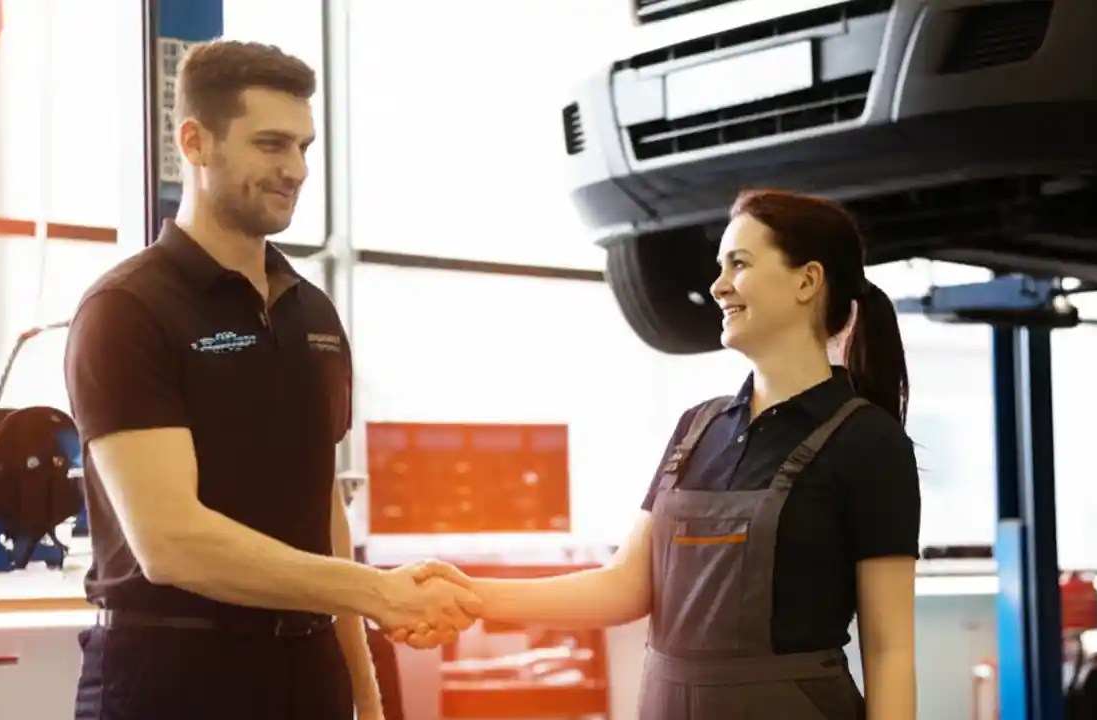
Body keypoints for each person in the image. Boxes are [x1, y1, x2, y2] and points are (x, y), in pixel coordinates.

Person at [63, 40, 478, 720]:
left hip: (308, 675)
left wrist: (365, 697)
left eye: (304, 147)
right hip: (171, 679)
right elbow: (171, 543)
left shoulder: (311, 312)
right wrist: (375, 592)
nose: (295, 169)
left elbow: (322, 510)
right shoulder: (128, 310)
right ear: (195, 143)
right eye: (271, 145)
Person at [394, 189, 921, 719]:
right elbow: (625, 586)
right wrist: (469, 594)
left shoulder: (869, 443)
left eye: (739, 264)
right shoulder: (698, 427)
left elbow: (889, 649)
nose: (718, 287)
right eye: (720, 267)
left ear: (807, 280)